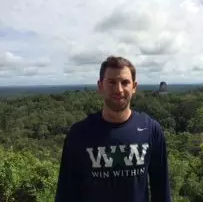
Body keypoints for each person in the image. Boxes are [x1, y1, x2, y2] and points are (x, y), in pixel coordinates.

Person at [55, 56, 171, 202]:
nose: (119, 89)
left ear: (134, 87)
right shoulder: (79, 134)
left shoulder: (151, 130)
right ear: (100, 86)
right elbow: (66, 193)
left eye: (125, 82)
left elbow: (161, 191)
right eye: (111, 82)